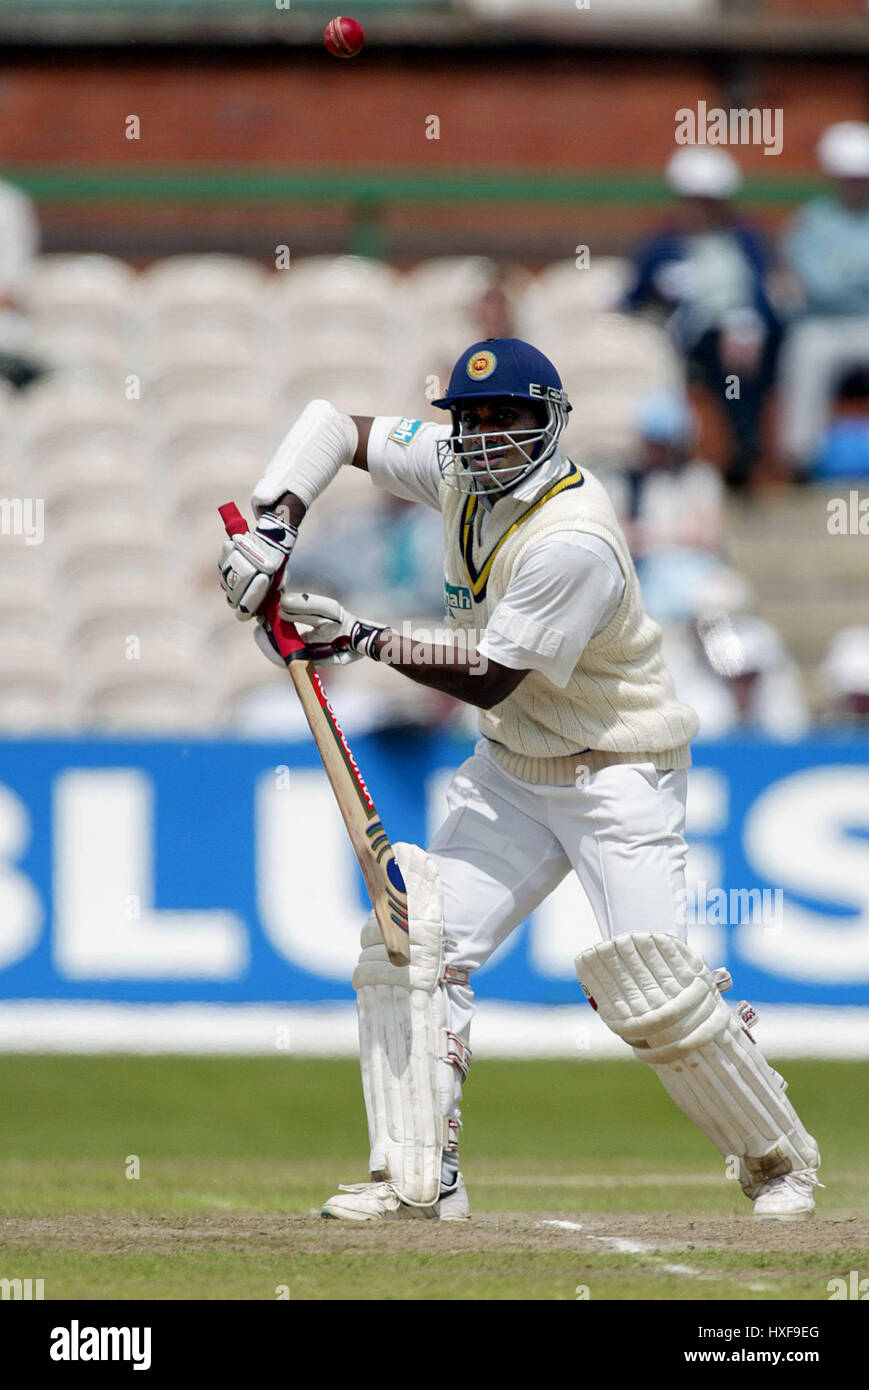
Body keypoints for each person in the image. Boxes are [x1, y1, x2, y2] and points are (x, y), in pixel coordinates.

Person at [218, 337, 820, 1222]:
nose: (491, 437)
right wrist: (276, 522)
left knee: (653, 993)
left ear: (551, 425)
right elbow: (332, 428)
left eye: (513, 419)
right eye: (475, 419)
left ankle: (780, 1162)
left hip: (618, 772)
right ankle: (419, 1176)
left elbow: (492, 675)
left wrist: (360, 639)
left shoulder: (572, 538)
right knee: (413, 951)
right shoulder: (455, 468)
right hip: (511, 769)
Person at [622, 147, 781, 491]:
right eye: (693, 200)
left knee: (743, 362)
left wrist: (747, 324)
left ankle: (746, 448)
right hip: (689, 340)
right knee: (724, 359)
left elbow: (765, 296)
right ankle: (731, 447)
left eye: (708, 201)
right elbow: (631, 299)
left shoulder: (746, 242)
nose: (699, 210)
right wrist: (666, 297)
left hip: (746, 342)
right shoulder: (661, 247)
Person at [779, 121, 869, 478]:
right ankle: (800, 461)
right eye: (849, 176)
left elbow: (833, 281)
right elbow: (817, 286)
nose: (856, 184)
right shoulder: (811, 221)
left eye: (861, 177)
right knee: (806, 354)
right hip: (822, 325)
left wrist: (843, 276)